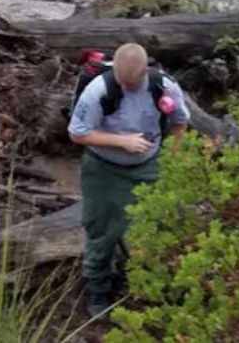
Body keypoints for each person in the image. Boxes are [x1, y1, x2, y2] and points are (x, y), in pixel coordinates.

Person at [68, 43, 190, 318]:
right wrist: (122, 142)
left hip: (150, 165)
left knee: (162, 224)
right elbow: (77, 133)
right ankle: (99, 290)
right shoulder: (98, 90)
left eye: (131, 85)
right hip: (103, 168)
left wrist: (174, 160)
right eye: (121, 83)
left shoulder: (165, 87)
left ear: (145, 72)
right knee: (101, 231)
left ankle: (149, 284)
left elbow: (180, 123)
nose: (124, 89)